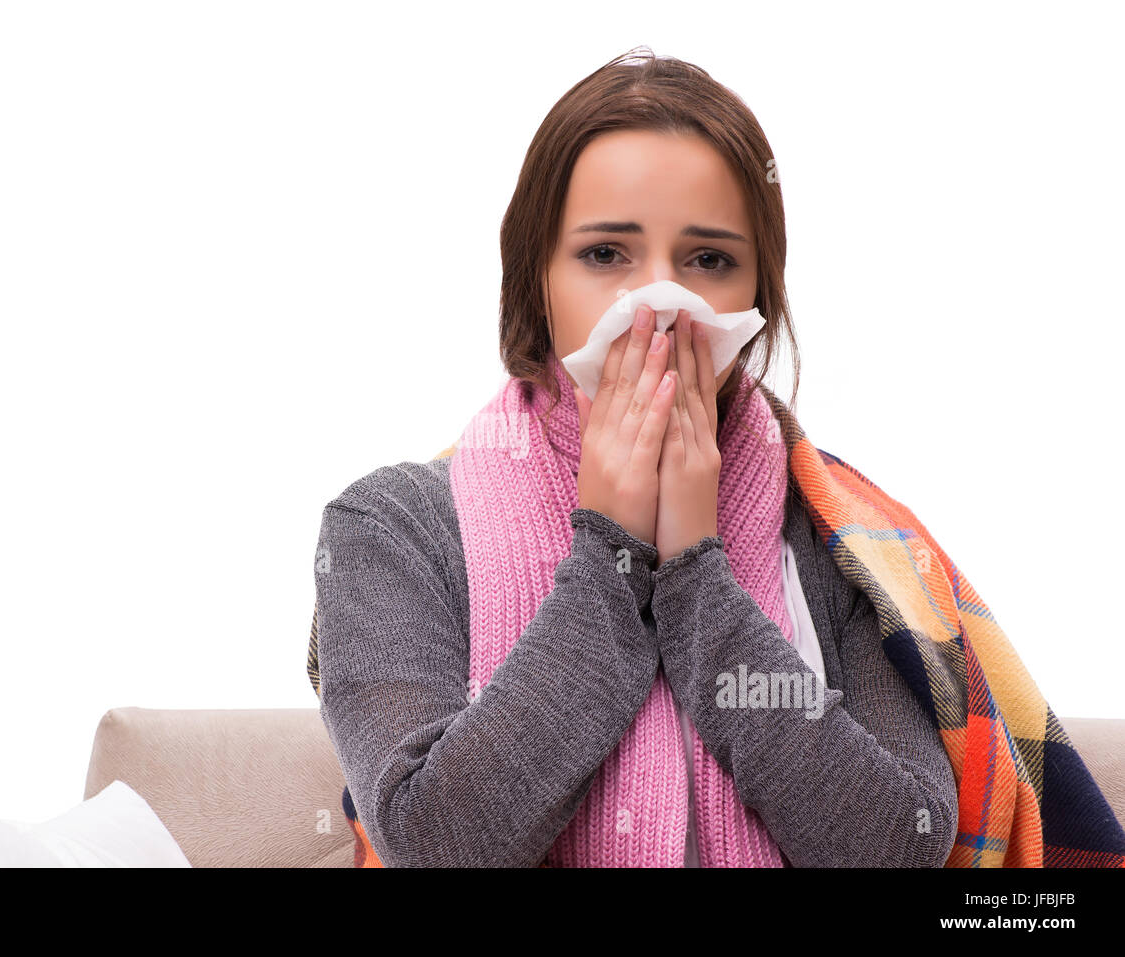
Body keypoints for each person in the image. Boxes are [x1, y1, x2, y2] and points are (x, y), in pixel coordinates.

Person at [309, 47, 958, 867]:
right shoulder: (391, 528)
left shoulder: (840, 539)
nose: (656, 304)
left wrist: (695, 572)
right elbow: (437, 840)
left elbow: (903, 849)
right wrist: (611, 548)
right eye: (607, 254)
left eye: (708, 260)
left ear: (760, 295)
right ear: (534, 280)